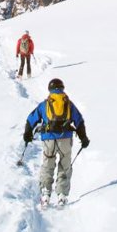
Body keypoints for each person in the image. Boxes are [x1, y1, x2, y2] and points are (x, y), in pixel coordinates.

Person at [23, 77, 89, 207]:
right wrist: (83, 138)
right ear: (62, 89)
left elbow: (31, 119)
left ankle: (46, 193)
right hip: (65, 139)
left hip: (49, 140)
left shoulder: (45, 104)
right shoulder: (68, 103)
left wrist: (27, 134)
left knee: (48, 164)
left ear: (50, 90)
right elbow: (79, 121)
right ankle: (62, 195)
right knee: (65, 165)